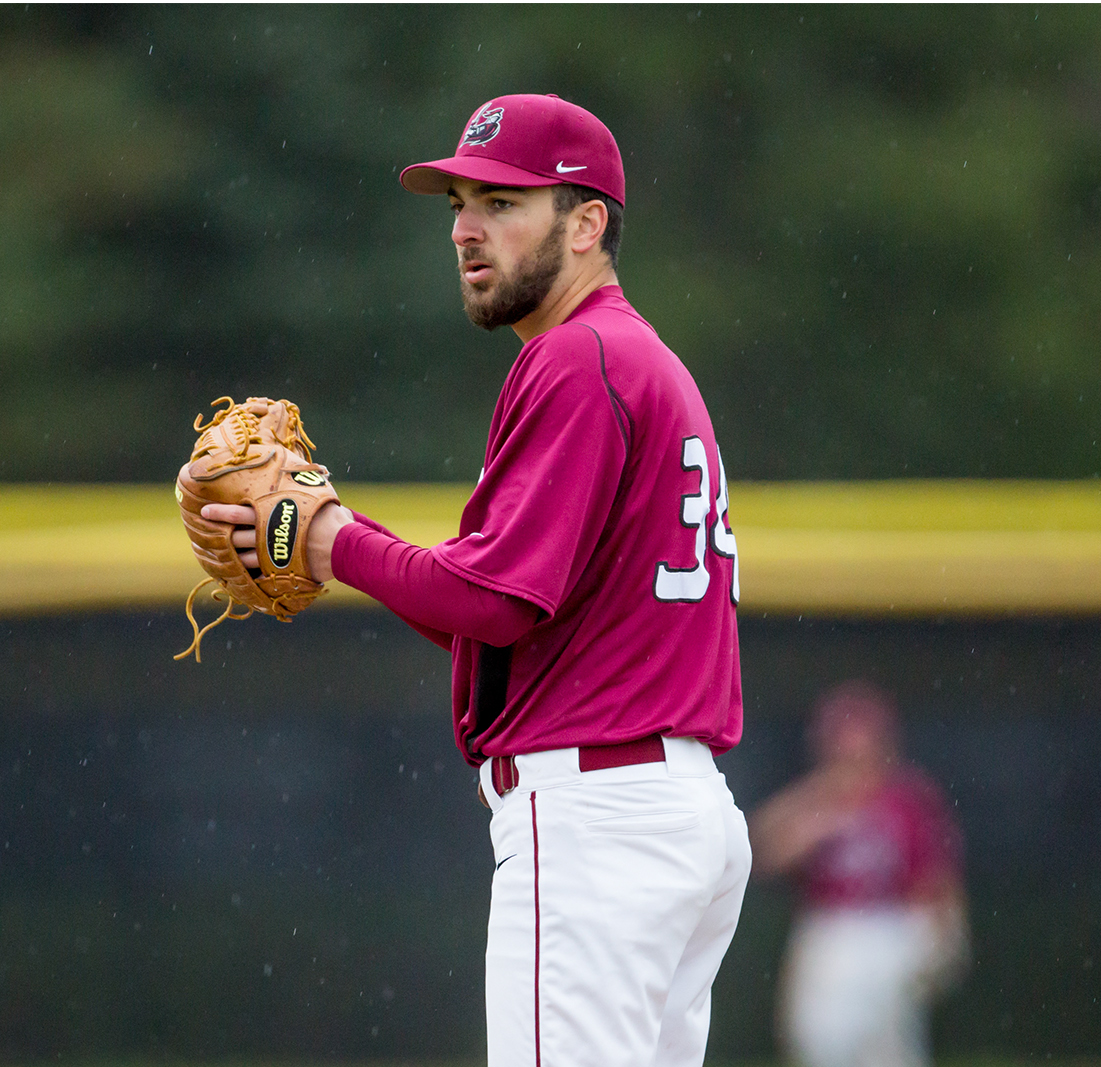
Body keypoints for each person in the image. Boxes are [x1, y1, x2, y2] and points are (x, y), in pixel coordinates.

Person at [201, 92, 750, 1066]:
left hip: (598, 821)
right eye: (459, 202)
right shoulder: (634, 358)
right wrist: (345, 539)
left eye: (502, 204)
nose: (463, 229)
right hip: (671, 811)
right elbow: (515, 623)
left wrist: (328, 536)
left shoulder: (579, 358)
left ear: (585, 226)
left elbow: (491, 598)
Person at [751, 680, 968, 1067]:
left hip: (891, 928)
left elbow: (936, 881)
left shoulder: (907, 800)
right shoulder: (817, 798)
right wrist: (816, 815)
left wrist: (945, 934)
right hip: (829, 930)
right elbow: (763, 852)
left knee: (888, 1054)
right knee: (819, 1046)